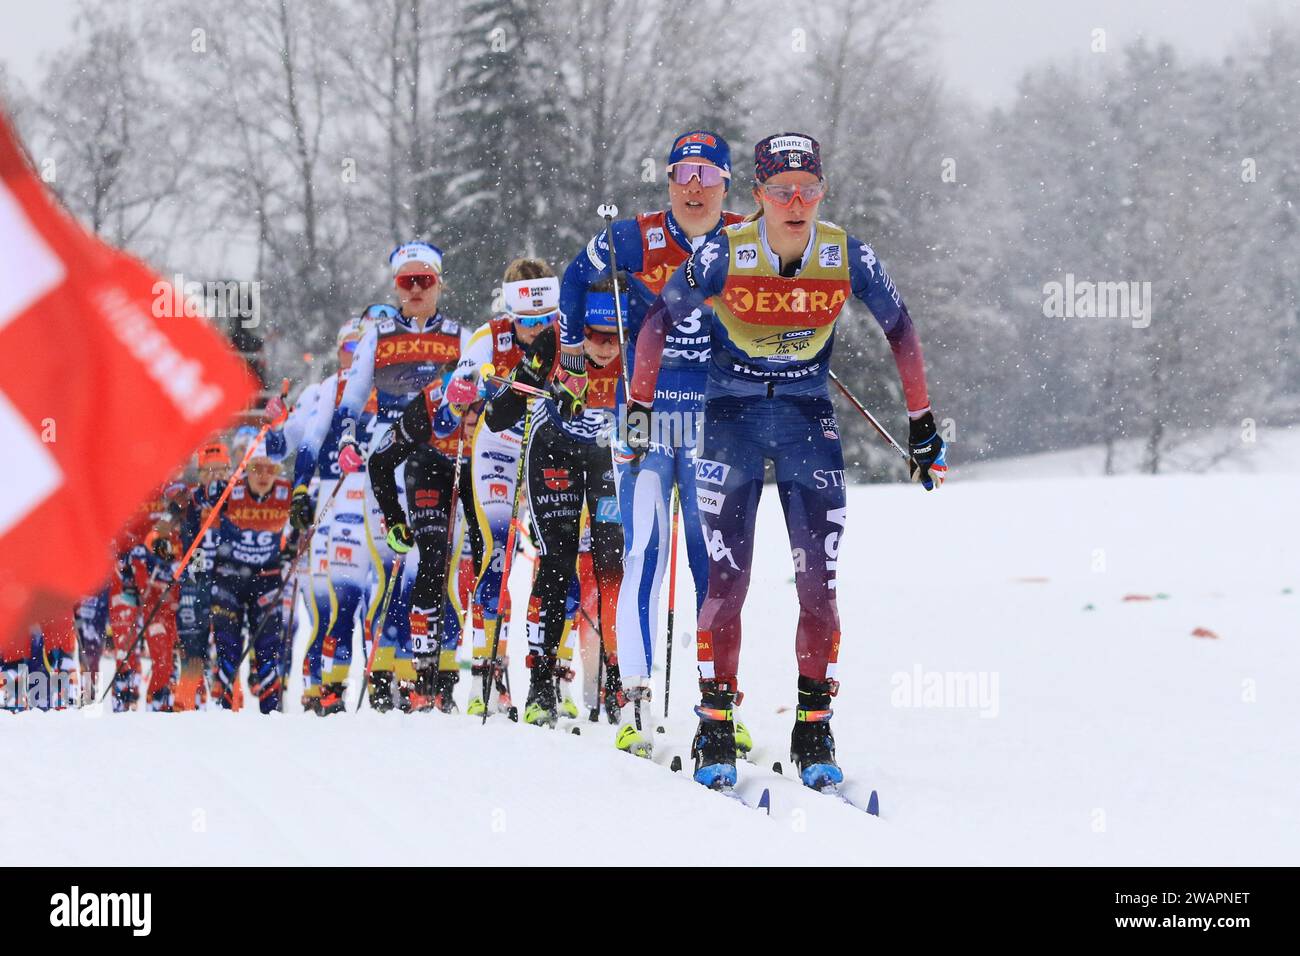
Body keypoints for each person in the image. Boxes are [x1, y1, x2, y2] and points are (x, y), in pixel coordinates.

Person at [628, 132, 947, 790]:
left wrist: (921, 424)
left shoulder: (845, 253)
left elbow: (901, 326)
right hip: (732, 421)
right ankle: (714, 724)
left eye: (806, 190)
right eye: (780, 191)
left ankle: (814, 725)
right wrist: (639, 403)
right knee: (726, 583)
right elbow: (659, 320)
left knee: (817, 587)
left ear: (822, 192)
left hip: (807, 422)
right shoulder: (726, 251)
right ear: (758, 196)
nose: (794, 202)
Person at [557, 130, 746, 750]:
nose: (695, 188)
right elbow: (572, 276)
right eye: (683, 175)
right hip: (643, 415)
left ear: (725, 183)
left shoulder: (747, 237)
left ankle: (717, 702)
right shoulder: (635, 237)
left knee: (712, 560)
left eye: (708, 176)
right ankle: (634, 696)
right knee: (643, 551)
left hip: (714, 421)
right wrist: (570, 347)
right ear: (669, 182)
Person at [325, 243, 472, 711]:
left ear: (438, 284)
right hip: (390, 454)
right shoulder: (380, 334)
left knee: (438, 567)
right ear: (395, 286)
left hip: (443, 456)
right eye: (406, 281)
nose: (414, 289)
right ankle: (388, 671)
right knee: (393, 567)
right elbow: (350, 399)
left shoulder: (459, 335)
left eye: (424, 281)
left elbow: (479, 393)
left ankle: (438, 673)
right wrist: (348, 440)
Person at [485, 285, 626, 727]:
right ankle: (542, 685)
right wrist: (530, 388)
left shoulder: (637, 339)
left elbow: (650, 407)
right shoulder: (553, 344)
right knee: (557, 564)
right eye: (594, 336)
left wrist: (644, 436)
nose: (604, 347)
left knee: (611, 567)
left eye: (612, 337)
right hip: (553, 454)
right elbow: (499, 415)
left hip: (605, 456)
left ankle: (617, 681)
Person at [440, 257, 560, 716]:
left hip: (547, 446)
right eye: (525, 322)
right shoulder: (490, 335)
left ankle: (551, 672)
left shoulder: (564, 333)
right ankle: (486, 674)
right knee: (495, 556)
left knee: (553, 559)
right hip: (495, 449)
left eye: (543, 319)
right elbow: (460, 387)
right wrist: (463, 389)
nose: (534, 331)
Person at [289, 315, 376, 714]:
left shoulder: (389, 384)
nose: (356, 358)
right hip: (334, 495)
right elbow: (308, 441)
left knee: (375, 600)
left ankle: (381, 682)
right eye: (349, 350)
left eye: (363, 350)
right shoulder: (333, 387)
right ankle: (318, 685)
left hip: (376, 495)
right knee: (328, 603)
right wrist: (302, 490)